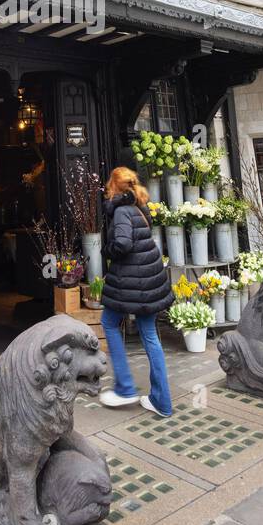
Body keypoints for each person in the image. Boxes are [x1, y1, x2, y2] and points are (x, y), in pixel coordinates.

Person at [99, 166, 174, 416]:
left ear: (114, 186)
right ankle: (162, 401)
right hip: (149, 279)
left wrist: (107, 251)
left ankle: (125, 387)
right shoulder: (140, 207)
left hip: (132, 281)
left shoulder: (121, 210)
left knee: (109, 322)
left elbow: (123, 243)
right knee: (150, 335)